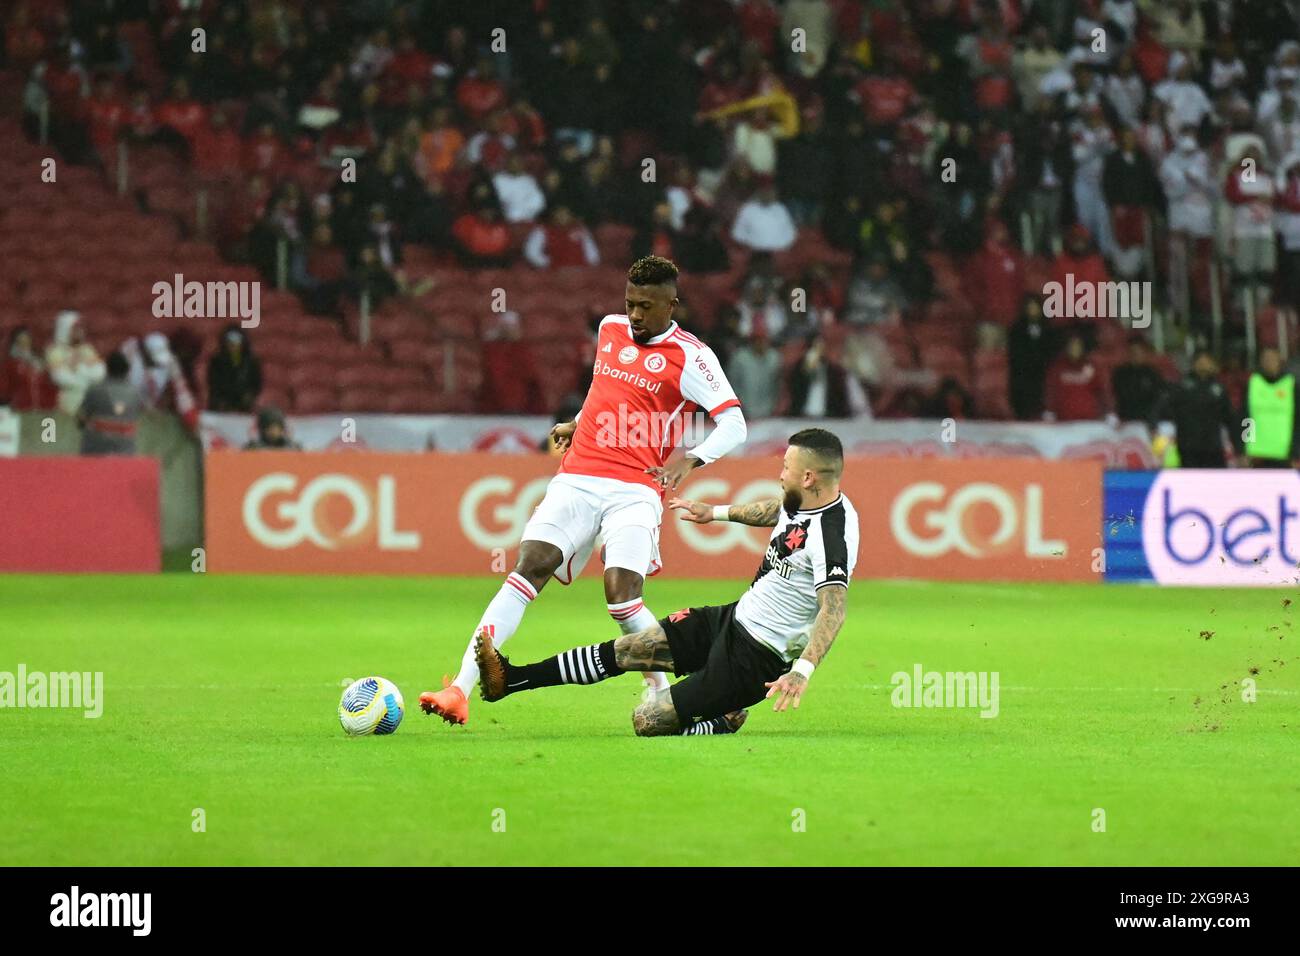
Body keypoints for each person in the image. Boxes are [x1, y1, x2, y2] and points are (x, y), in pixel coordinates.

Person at [418, 256, 749, 727]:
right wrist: (578, 424)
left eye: (647, 306)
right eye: (630, 303)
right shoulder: (609, 329)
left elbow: (735, 423)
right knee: (529, 566)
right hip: (578, 477)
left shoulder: (692, 357)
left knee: (621, 595)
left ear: (672, 305)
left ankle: (662, 691)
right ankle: (460, 689)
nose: (634, 314)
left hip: (634, 489)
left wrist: (691, 458)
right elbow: (603, 389)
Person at [472, 429, 858, 736]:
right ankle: (511, 679)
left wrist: (801, 671)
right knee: (630, 649)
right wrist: (717, 513)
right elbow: (777, 511)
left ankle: (723, 718)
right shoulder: (804, 501)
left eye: (787, 466)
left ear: (808, 477)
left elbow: (834, 608)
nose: (780, 472)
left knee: (647, 720)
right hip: (733, 618)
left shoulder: (832, 535)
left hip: (757, 656)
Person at [1149, 350, 1243, 468]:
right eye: (1200, 361)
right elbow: (1161, 406)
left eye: (1206, 361)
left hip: (1213, 447)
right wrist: (1153, 425)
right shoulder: (1181, 386)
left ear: (1212, 364)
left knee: (1215, 482)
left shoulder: (1219, 389)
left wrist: (1239, 448)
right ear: (1194, 364)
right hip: (1188, 447)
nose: (1203, 365)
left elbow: (1230, 419)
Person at [77, 351, 144, 456]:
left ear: (107, 368)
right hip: (126, 448)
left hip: (96, 448)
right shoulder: (135, 393)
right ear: (127, 370)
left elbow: (81, 417)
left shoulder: (96, 390)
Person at [1242, 346, 1298, 467]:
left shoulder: (1291, 385)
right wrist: (1244, 449)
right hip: (1257, 454)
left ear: (1280, 360)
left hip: (1286, 454)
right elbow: (1246, 419)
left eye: (1272, 358)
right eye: (1266, 359)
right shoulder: (1253, 384)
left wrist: (1296, 452)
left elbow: (1297, 422)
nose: (1269, 362)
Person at [45, 310, 106, 417]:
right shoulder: (54, 351)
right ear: (65, 330)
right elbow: (60, 377)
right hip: (67, 403)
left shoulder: (88, 349)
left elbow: (100, 372)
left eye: (80, 329)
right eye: (75, 329)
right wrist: (85, 376)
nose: (80, 332)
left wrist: (78, 369)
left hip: (89, 404)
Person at [1111, 334, 1167, 423]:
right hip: (1127, 420)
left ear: (1145, 353)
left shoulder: (1152, 373)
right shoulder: (1120, 373)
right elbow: (1121, 397)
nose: (1136, 355)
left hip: (1150, 419)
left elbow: (1159, 395)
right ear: (1128, 353)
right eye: (1133, 352)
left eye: (1140, 351)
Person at [207, 325, 263, 412]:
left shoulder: (251, 362)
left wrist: (250, 395)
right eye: (230, 342)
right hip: (222, 404)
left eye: (236, 342)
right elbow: (213, 384)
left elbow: (256, 383)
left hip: (244, 405)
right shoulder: (216, 361)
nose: (233, 345)